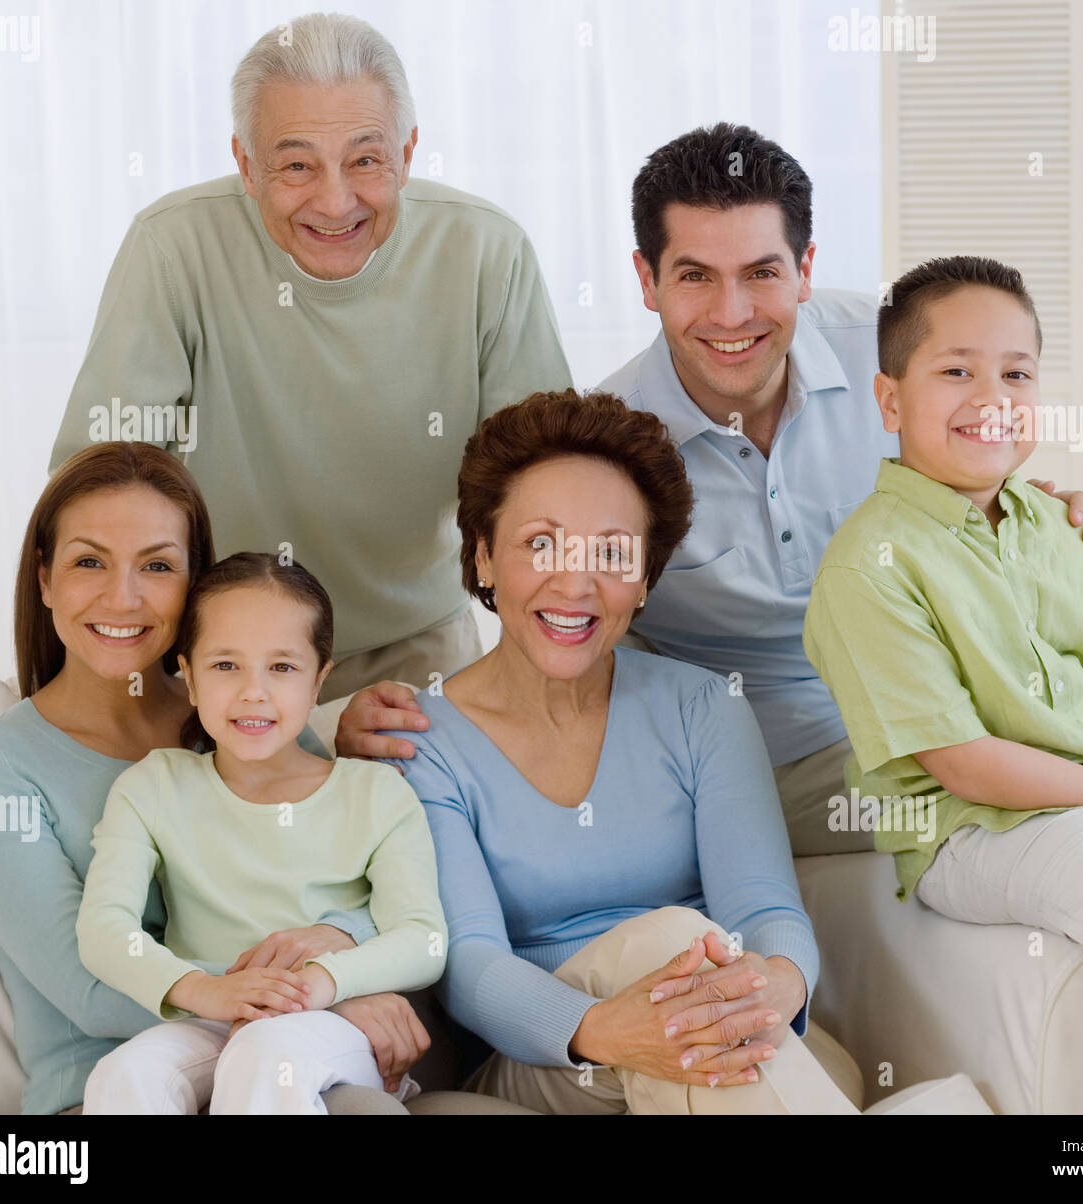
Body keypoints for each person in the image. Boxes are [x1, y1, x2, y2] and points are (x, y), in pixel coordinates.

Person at [378, 388, 990, 1114]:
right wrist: (606, 1028)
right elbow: (470, 965)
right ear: (482, 556)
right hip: (553, 1063)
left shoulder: (703, 705)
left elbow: (764, 907)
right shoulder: (422, 740)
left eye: (612, 551)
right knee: (673, 940)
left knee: (690, 972)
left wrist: (778, 985)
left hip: (740, 1037)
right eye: (540, 543)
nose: (575, 582)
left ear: (644, 581)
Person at [593, 123, 1083, 855]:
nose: (730, 314)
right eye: (694, 276)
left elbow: (981, 473)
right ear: (646, 279)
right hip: (775, 759)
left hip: (961, 705)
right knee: (1060, 833)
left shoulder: (895, 354)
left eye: (761, 273)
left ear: (805, 268)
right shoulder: (607, 445)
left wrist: (1038, 514)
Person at [803, 254, 1083, 1114]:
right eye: (955, 370)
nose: (989, 395)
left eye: (1016, 373)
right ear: (891, 401)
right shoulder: (869, 563)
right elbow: (963, 764)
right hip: (973, 832)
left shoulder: (1066, 527)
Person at [47, 13, 571, 703]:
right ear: (246, 165)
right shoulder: (172, 248)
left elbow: (545, 484)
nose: (334, 200)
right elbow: (103, 481)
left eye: (365, 159)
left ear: (408, 155)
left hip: (413, 648)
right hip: (220, 650)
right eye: (295, 164)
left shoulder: (488, 251)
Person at [0, 443, 430, 1115]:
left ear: (196, 587)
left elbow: (352, 880)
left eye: (158, 565)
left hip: (291, 1053)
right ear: (45, 579)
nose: (124, 595)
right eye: (89, 561)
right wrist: (303, 996)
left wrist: (337, 962)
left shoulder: (244, 713)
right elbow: (82, 983)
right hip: (108, 1084)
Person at [78, 553, 446, 1114]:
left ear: (320, 679)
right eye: (226, 665)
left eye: (282, 667)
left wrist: (322, 982)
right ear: (191, 677)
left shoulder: (376, 794)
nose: (254, 692)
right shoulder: (152, 786)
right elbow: (105, 929)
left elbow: (423, 938)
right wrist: (204, 990)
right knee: (125, 1072)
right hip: (211, 1015)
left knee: (267, 1051)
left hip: (328, 1026)